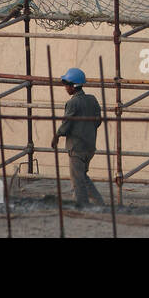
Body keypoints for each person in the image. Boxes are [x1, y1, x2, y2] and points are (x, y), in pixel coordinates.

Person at [53, 67, 105, 208]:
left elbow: (66, 123)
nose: (65, 87)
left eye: (66, 84)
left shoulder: (72, 103)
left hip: (76, 148)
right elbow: (98, 121)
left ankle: (82, 206)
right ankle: (100, 204)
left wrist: (57, 135)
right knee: (83, 177)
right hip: (89, 147)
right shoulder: (92, 100)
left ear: (73, 86)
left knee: (77, 180)